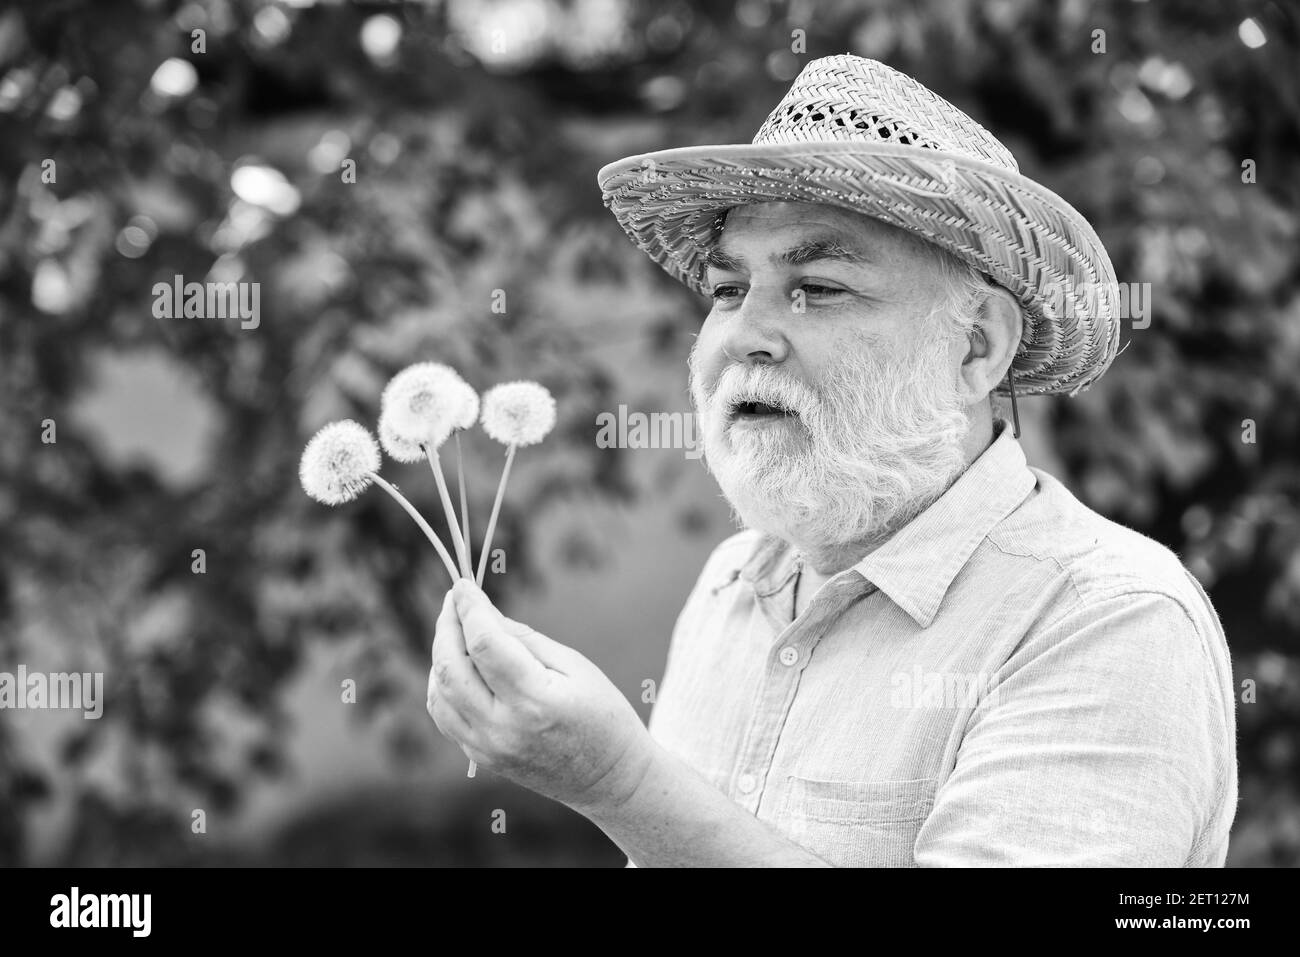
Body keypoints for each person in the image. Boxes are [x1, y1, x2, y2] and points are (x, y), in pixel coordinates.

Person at [424, 54, 1238, 867]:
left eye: (819, 286)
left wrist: (618, 782)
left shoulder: (1105, 617)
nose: (746, 335)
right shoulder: (730, 585)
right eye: (727, 290)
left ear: (977, 346)